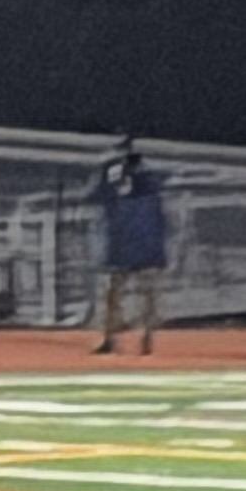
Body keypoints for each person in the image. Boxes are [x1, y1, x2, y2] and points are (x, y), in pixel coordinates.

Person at [89, 139, 168, 353]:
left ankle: (119, 338)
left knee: (121, 290)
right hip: (144, 238)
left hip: (128, 237)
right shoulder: (151, 176)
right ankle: (141, 339)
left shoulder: (118, 173)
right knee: (141, 290)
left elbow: (98, 194)